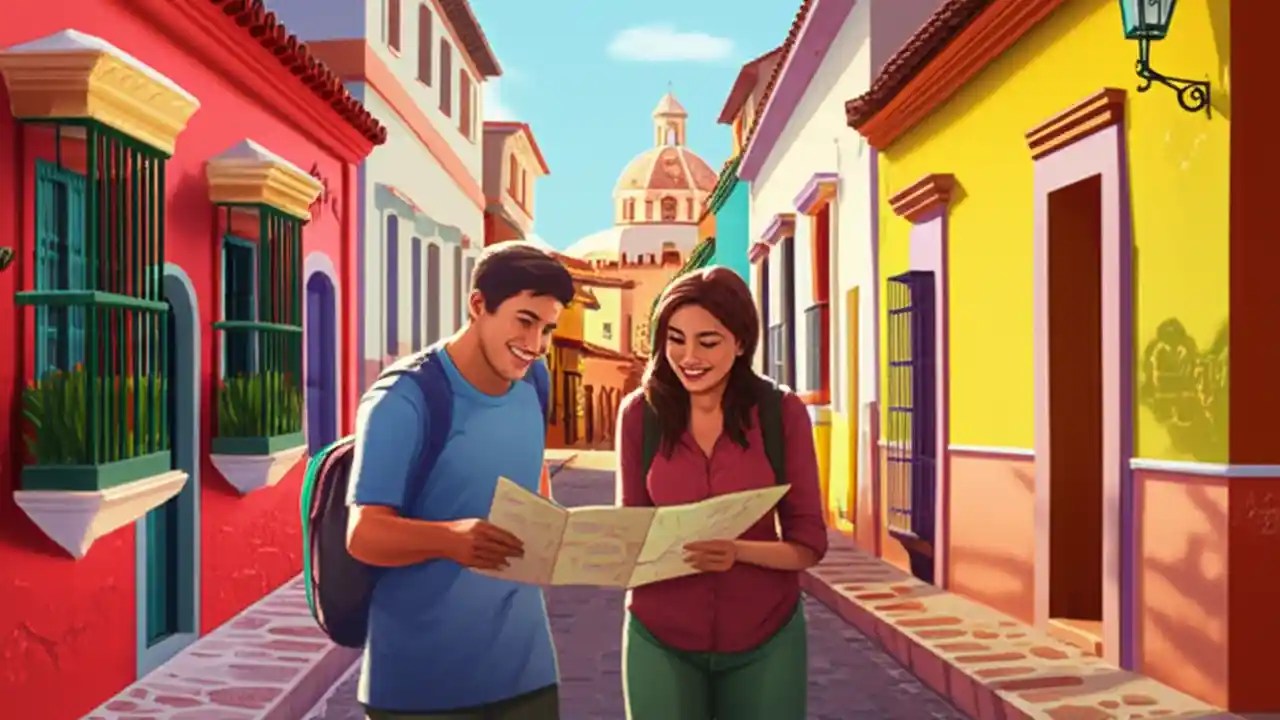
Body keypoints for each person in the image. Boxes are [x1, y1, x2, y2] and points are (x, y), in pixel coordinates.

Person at [345, 242, 575, 719]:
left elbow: (532, 478)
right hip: (423, 686)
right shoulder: (403, 399)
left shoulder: (536, 381)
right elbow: (363, 533)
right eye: (525, 321)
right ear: (477, 306)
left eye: (548, 329)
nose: (536, 344)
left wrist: (556, 531)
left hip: (526, 672)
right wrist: (452, 539)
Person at [616, 266, 828, 719]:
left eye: (707, 342)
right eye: (675, 339)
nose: (688, 356)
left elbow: (809, 544)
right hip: (660, 634)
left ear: (740, 342)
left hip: (766, 635)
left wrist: (737, 551)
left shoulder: (781, 413)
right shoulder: (640, 415)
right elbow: (631, 530)